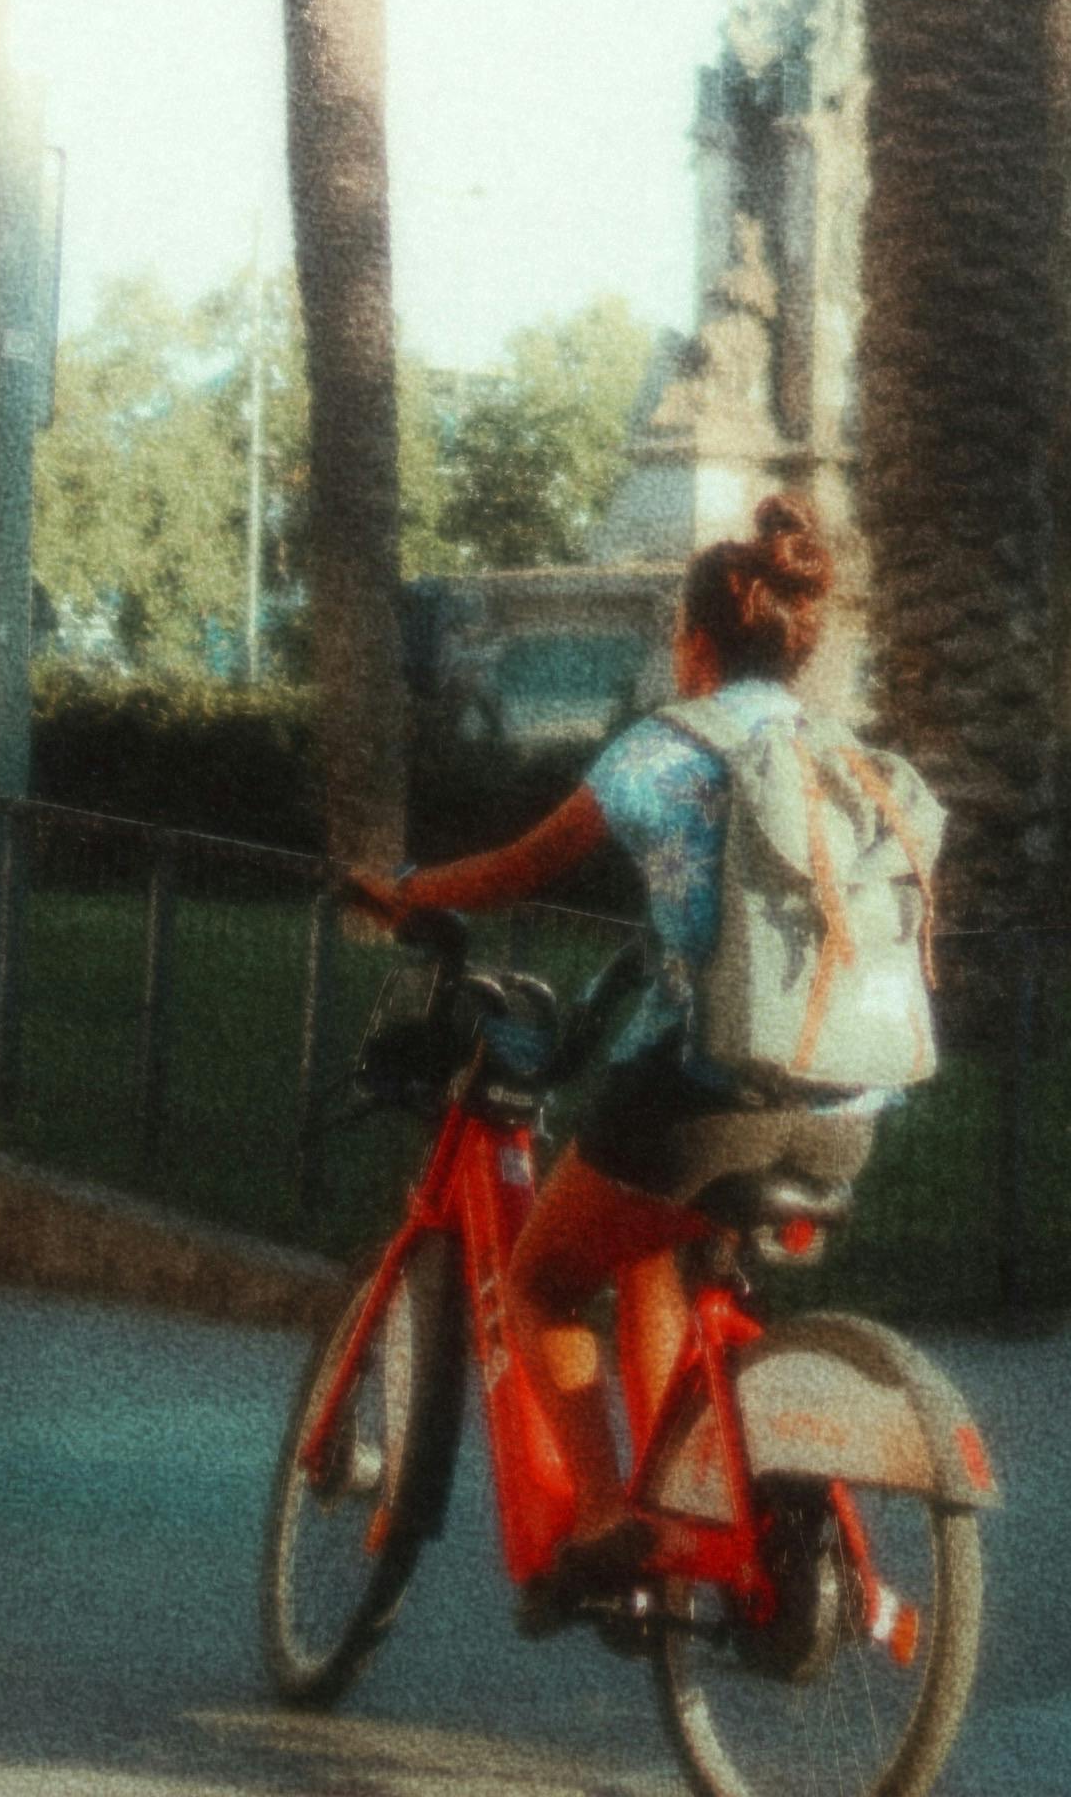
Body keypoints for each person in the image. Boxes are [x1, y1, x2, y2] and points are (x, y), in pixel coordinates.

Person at [350, 496, 886, 1621]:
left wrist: (405, 894)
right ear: (796, 645)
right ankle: (672, 1496)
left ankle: (601, 1519)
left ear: (694, 644)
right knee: (646, 1249)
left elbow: (523, 865)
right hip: (846, 1107)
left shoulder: (667, 747)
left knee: (541, 1277)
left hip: (707, 1097)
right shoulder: (847, 755)